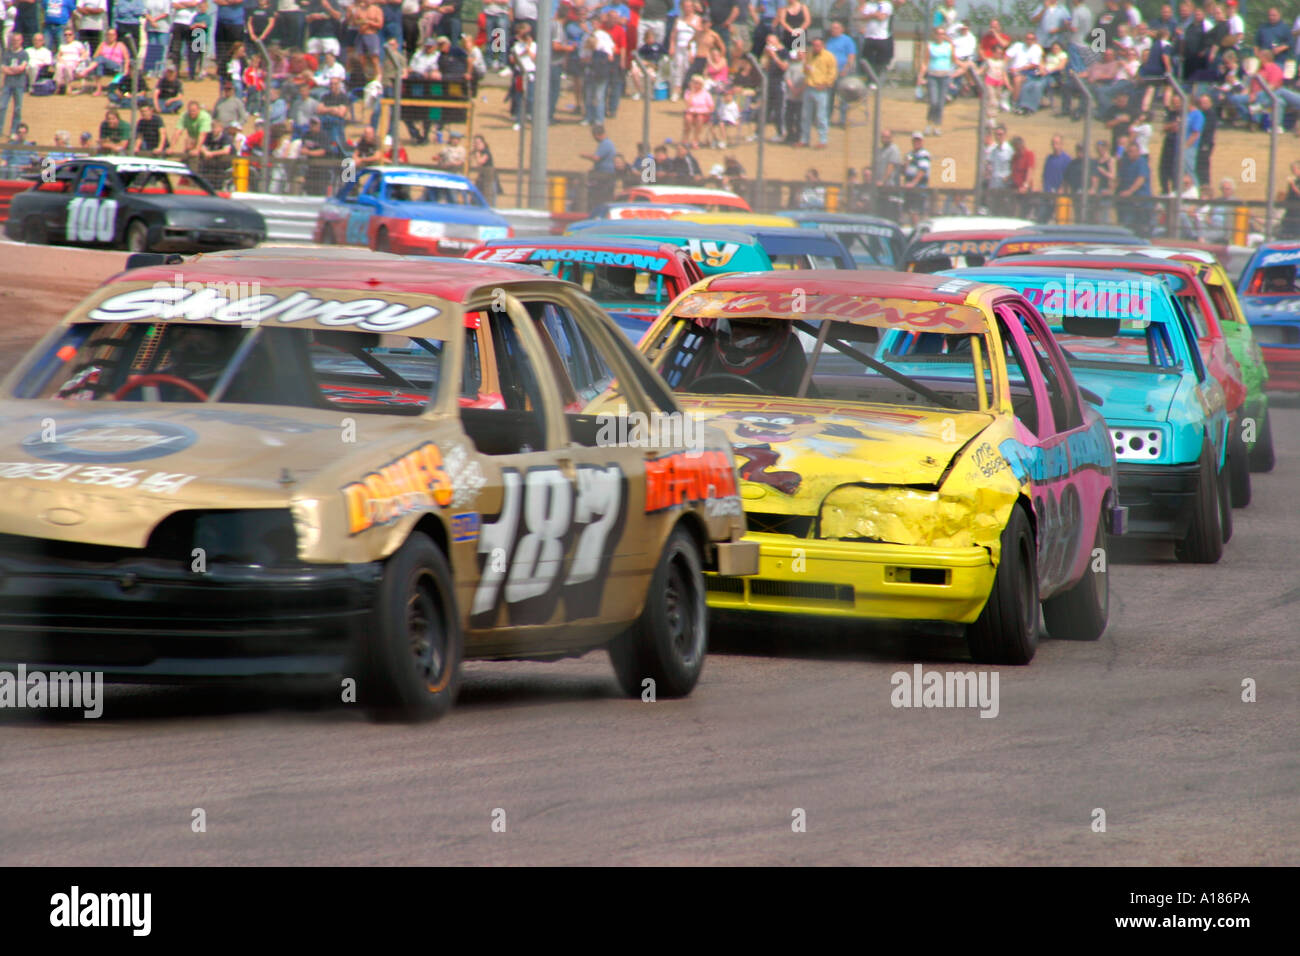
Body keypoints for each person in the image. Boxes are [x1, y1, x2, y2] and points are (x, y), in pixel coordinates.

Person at [692, 316, 808, 394]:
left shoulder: (795, 382)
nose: (742, 344)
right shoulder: (707, 364)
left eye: (751, 338)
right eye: (737, 336)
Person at [799, 34, 835, 148]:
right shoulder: (810, 55)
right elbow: (805, 69)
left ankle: (823, 140)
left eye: (818, 45)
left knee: (821, 116)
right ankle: (805, 139)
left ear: (823, 45)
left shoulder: (829, 57)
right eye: (814, 45)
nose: (816, 47)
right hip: (809, 88)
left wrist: (825, 84)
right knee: (806, 115)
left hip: (821, 90)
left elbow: (832, 73)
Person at [918, 24, 953, 136]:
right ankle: (929, 123)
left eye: (942, 34)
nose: (940, 36)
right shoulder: (930, 46)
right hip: (933, 76)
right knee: (933, 101)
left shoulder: (948, 46)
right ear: (935, 35)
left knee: (941, 103)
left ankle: (937, 125)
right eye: (938, 33)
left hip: (945, 76)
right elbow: (925, 62)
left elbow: (954, 60)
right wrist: (920, 76)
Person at [1115, 138, 1151, 231]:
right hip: (1128, 200)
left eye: (1132, 151)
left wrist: (1130, 191)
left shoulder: (1142, 162)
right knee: (1125, 223)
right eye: (1129, 151)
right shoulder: (1126, 162)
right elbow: (1119, 178)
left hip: (1141, 199)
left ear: (1138, 152)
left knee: (1140, 226)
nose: (1130, 154)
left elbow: (1141, 179)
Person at [0, 35, 29, 140]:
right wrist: (14, 70)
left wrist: (11, 70)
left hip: (19, 85)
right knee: (2, 106)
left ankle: (14, 131)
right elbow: (3, 68)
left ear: (21, 41)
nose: (15, 42)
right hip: (7, 84)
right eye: (13, 40)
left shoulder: (24, 54)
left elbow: (22, 68)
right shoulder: (7, 53)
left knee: (17, 108)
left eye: (17, 40)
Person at [582, 123, 618, 205]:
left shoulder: (606, 143)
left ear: (597, 135)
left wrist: (584, 155)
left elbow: (596, 158)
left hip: (605, 177)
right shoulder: (605, 143)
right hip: (602, 175)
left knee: (601, 197)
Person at [900, 130, 930, 223]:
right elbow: (904, 170)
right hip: (909, 189)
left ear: (922, 141)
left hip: (919, 188)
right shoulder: (910, 154)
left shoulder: (924, 154)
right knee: (908, 211)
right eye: (915, 140)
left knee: (915, 211)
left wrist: (913, 183)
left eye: (918, 140)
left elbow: (922, 170)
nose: (916, 142)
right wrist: (905, 165)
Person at [859, 0, 893, 75]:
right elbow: (863, 16)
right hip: (869, 37)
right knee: (867, 61)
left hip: (882, 38)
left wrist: (871, 15)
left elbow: (882, 17)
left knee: (880, 62)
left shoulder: (887, 5)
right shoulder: (869, 5)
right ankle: (869, 80)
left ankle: (878, 79)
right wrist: (875, 14)